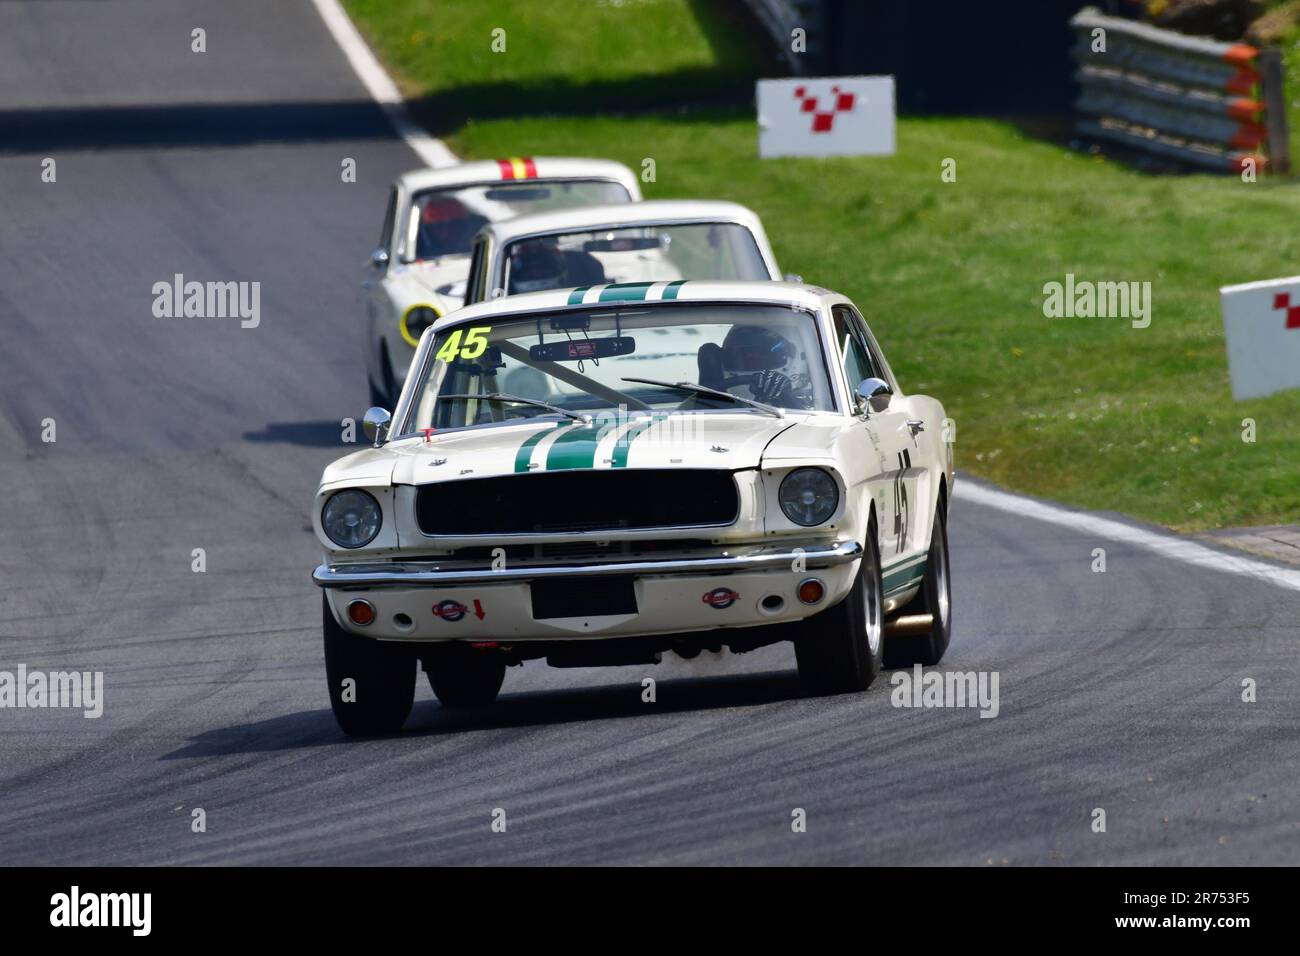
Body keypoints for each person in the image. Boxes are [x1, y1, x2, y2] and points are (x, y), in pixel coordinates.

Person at [719, 325, 809, 408]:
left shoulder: (814, 405)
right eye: (740, 355)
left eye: (760, 353)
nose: (750, 358)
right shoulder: (709, 399)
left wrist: (788, 398)